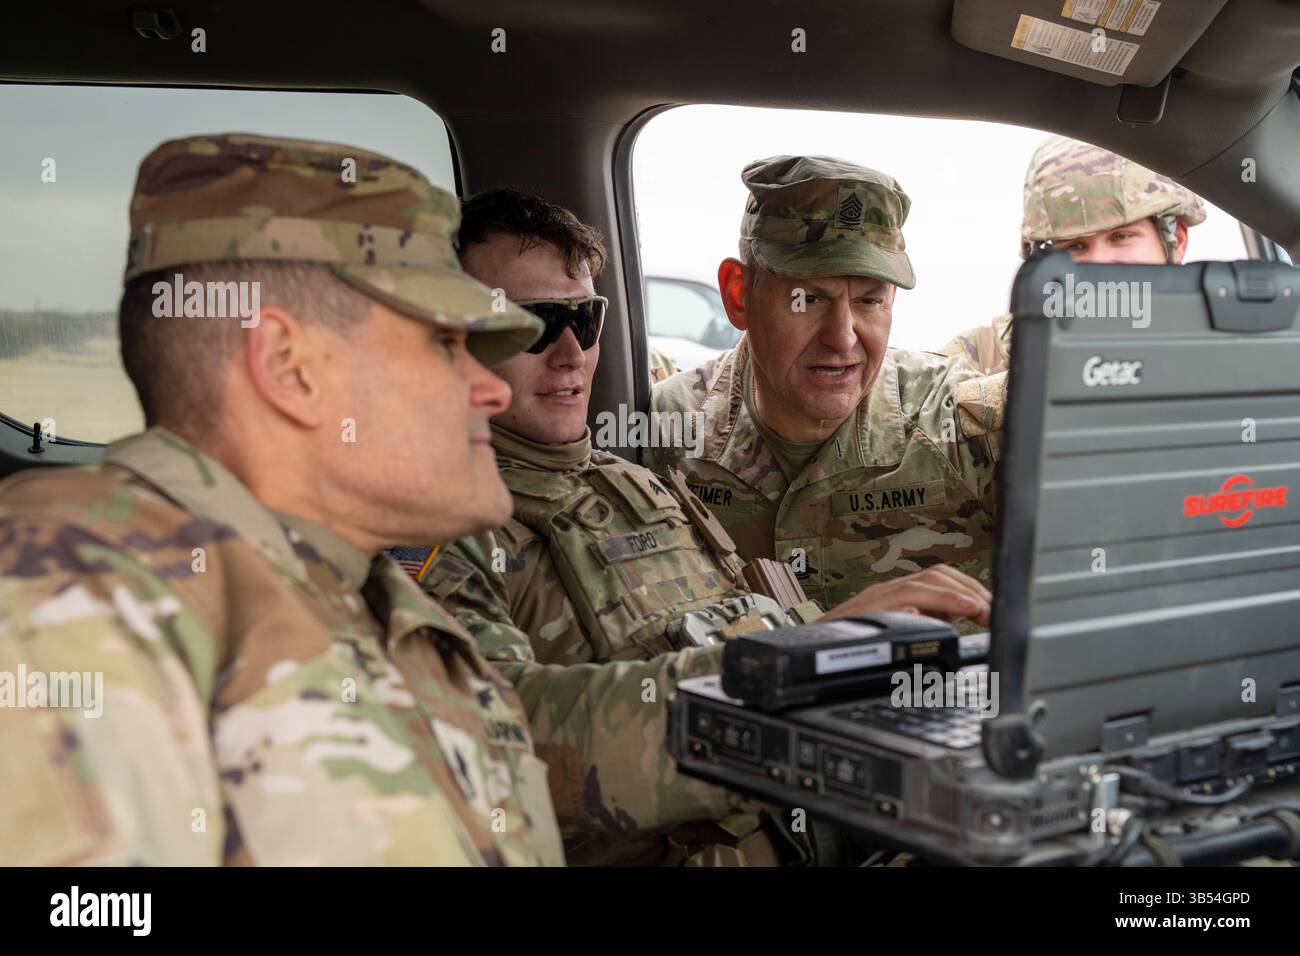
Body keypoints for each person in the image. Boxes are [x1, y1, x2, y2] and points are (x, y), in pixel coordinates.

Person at [0, 134, 736, 866]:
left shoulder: (366, 599)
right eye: (446, 348)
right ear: (290, 368)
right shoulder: (61, 610)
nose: (486, 389)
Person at [413, 188, 992, 864]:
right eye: (530, 323)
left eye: (585, 319)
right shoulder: (431, 528)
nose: (571, 353)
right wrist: (813, 658)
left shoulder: (631, 481)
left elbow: (737, 628)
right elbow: (500, 739)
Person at [647, 156, 1006, 615]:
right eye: (809, 299)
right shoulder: (664, 430)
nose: (842, 337)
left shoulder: (961, 428)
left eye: (869, 300)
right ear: (739, 295)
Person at [940, 135, 1206, 374]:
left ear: (1176, 241)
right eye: (1075, 246)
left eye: (1121, 237)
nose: (1099, 262)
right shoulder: (982, 358)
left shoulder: (1221, 344)